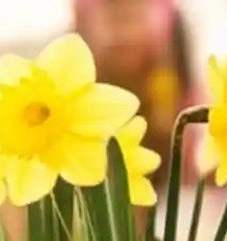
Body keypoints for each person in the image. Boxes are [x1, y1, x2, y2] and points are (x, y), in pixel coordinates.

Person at [76, 0, 195, 162]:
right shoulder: (72, 114)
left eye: (135, 16)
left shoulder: (190, 115)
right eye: (115, 17)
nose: (125, 33)